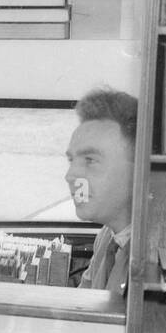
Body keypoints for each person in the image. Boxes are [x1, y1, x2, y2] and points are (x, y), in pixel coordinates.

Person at [64, 86, 137, 296]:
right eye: (71, 160)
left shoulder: (152, 257)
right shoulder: (107, 236)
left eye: (90, 160)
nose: (70, 175)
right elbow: (82, 303)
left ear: (138, 171)